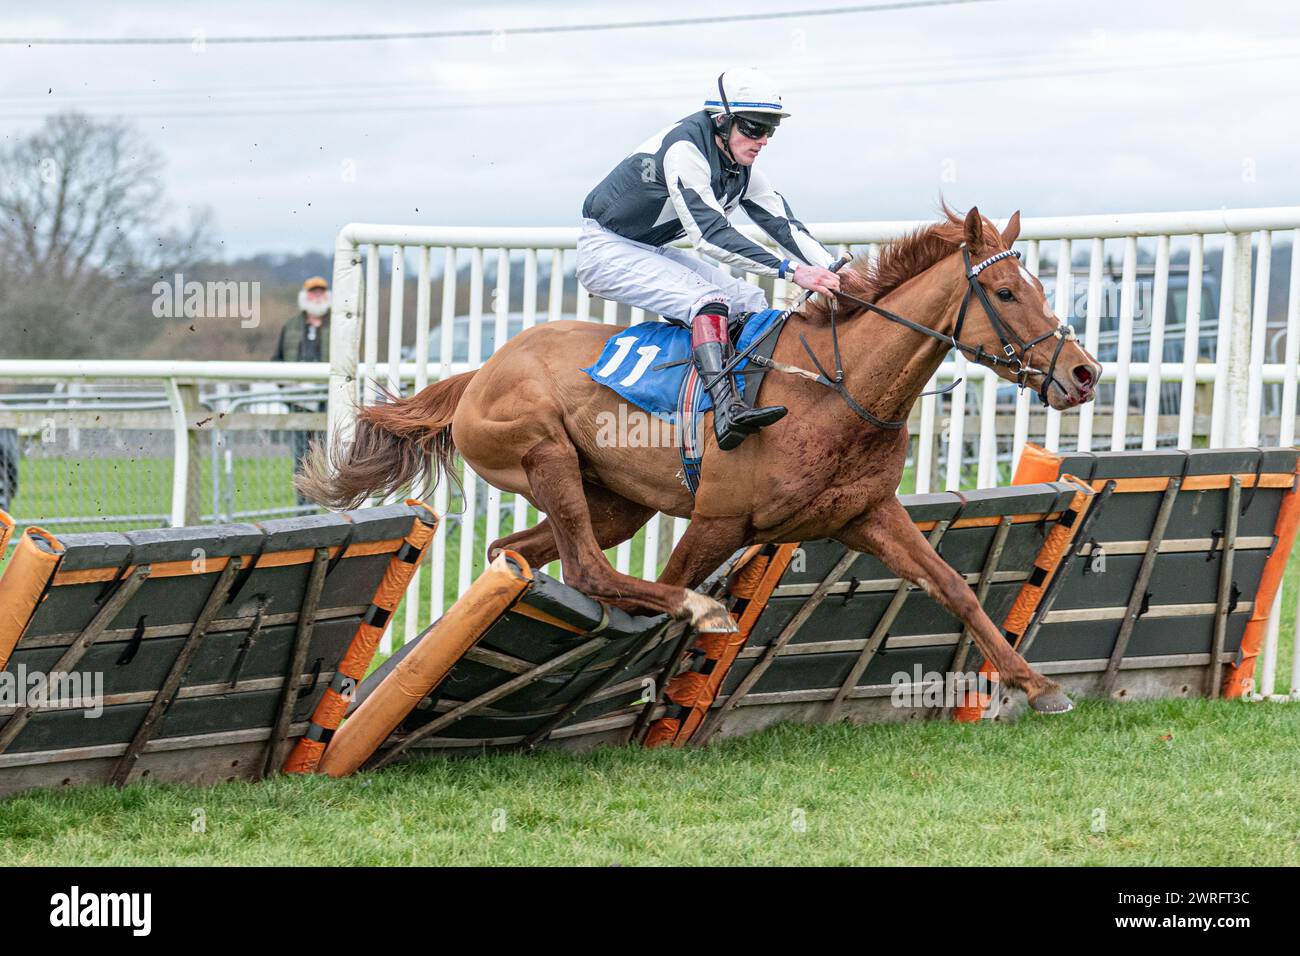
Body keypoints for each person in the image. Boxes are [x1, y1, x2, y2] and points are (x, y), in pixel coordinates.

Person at [578, 67, 841, 450]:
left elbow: (785, 226)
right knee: (709, 301)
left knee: (751, 302)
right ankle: (725, 411)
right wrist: (792, 271)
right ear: (722, 121)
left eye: (770, 130)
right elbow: (710, 235)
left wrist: (835, 273)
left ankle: (749, 396)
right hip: (605, 249)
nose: (763, 140)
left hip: (649, 249)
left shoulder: (742, 167)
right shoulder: (685, 151)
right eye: (753, 128)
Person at [273, 276, 331, 506]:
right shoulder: (291, 325)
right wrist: (286, 390)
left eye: (321, 292)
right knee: (300, 457)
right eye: (313, 293)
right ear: (305, 296)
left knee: (331, 455)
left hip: (328, 400)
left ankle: (332, 508)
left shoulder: (338, 323)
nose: (317, 297)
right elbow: (277, 360)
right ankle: (304, 510)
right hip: (298, 401)